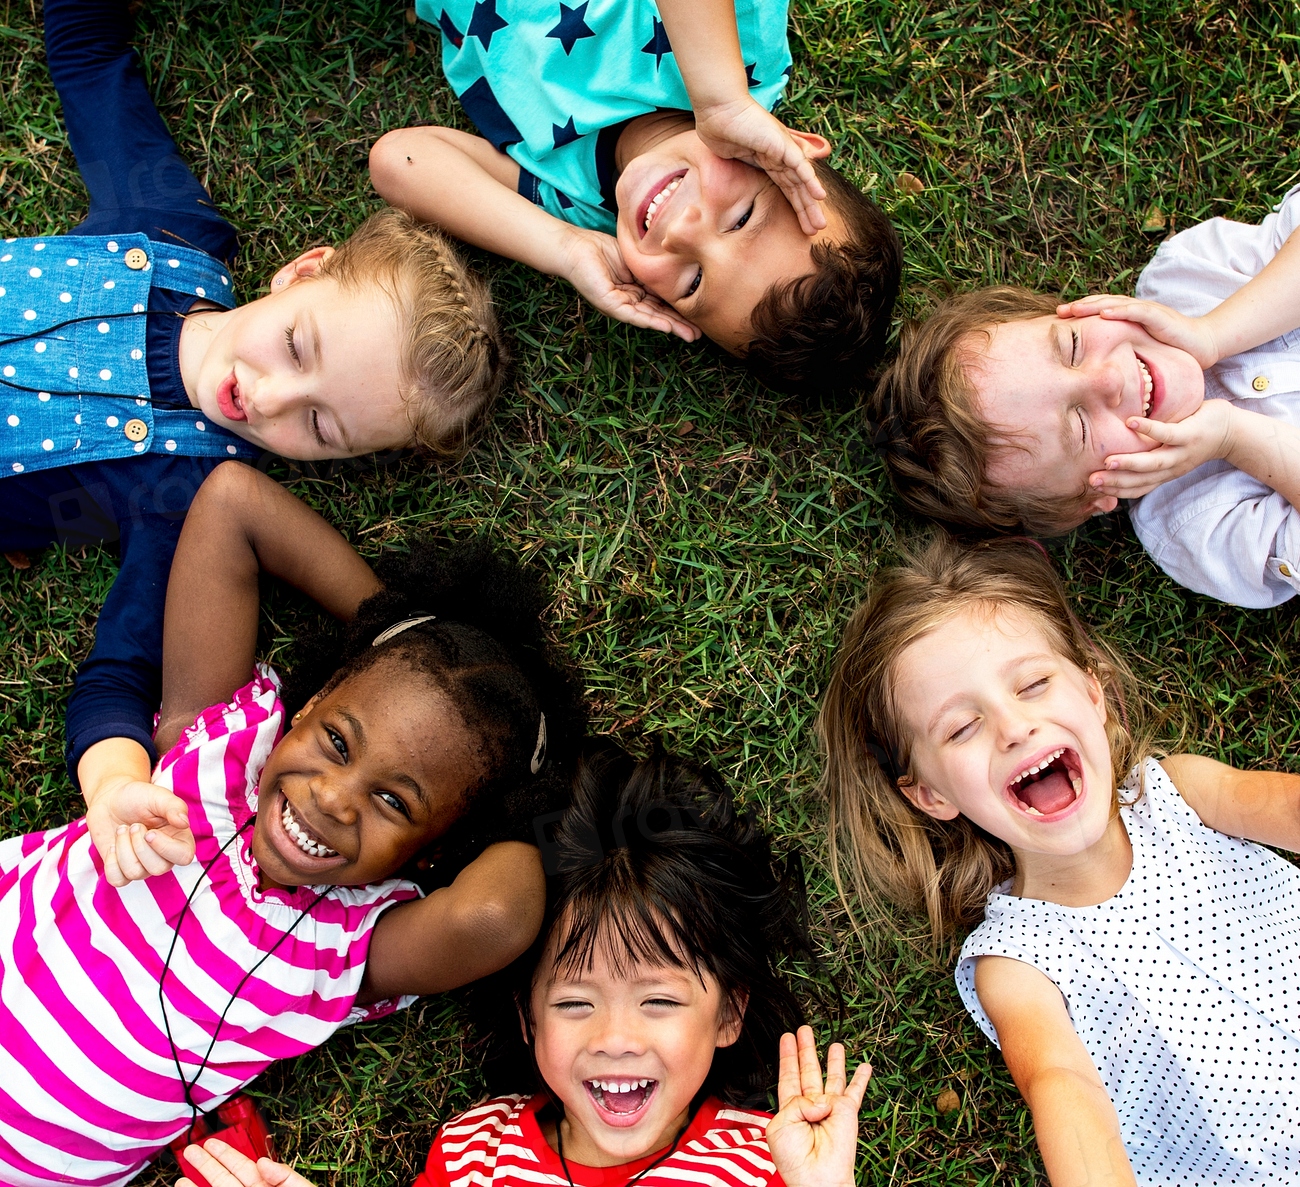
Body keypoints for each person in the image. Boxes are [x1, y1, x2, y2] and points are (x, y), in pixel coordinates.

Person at [0, 461, 586, 1186]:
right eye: (337, 740)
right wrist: (399, 635)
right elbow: (233, 503)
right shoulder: (213, 754)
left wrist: (530, 802)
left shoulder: (343, 949)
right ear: (307, 708)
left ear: (431, 853)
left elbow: (498, 914)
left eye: (395, 802)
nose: (335, 798)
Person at [5, 0, 504, 797]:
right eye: (299, 345)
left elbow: (117, 678)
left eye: (318, 425)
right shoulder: (170, 229)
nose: (268, 397)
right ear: (304, 271)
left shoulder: (184, 499)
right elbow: (92, 64)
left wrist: (115, 787)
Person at [818, 533, 1300, 1185]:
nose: (1015, 726)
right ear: (931, 794)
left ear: (1094, 694)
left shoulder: (1181, 793)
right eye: (961, 727)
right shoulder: (1015, 962)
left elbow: (1286, 805)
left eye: (1034, 684)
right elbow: (1064, 1088)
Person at [176, 745, 873, 1187]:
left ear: (728, 1012)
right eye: (575, 1002)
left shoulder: (768, 1162)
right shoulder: (477, 1151)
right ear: (527, 1016)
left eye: (658, 1001)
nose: (615, 1036)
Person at [368, 0, 901, 395]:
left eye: (693, 283)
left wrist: (566, 249)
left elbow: (401, 161)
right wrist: (720, 98)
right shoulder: (742, 56)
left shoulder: (577, 205)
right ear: (791, 151)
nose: (683, 232)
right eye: (740, 219)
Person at [868, 186, 1300, 609]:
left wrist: (1215, 332)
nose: (1108, 380)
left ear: (1075, 309)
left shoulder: (1188, 273)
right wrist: (1236, 437)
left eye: (1072, 345)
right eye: (1078, 426)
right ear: (1093, 500)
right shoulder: (1196, 526)